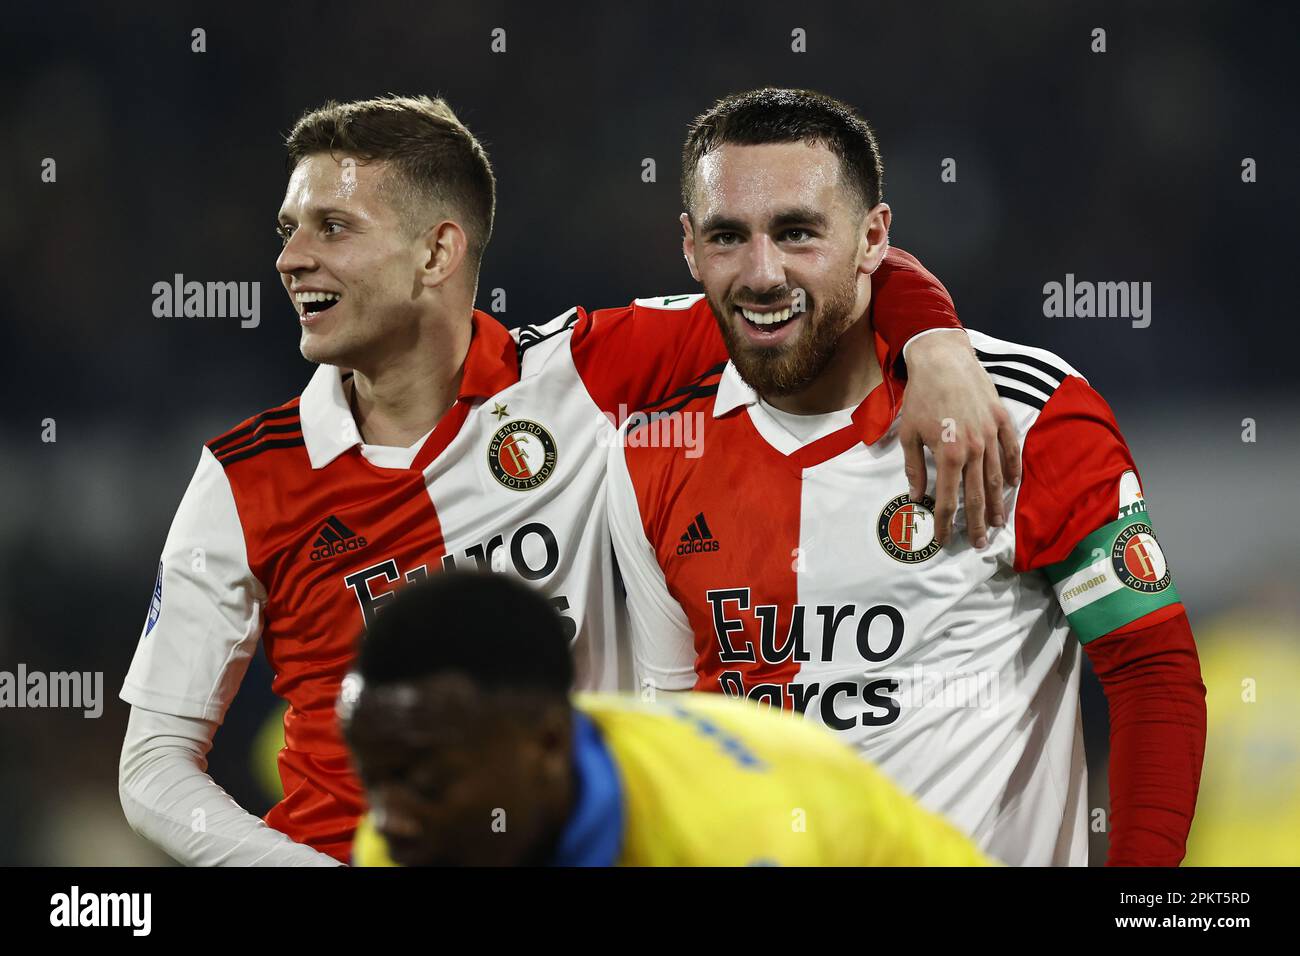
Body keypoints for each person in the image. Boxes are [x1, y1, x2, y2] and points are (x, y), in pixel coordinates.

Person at [117, 94, 1013, 866]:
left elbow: (806, 281)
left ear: (437, 254)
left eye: (333, 228)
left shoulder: (587, 375)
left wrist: (936, 344)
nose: (291, 258)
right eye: (290, 230)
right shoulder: (242, 476)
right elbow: (153, 761)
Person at [607, 88, 1207, 866]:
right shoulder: (652, 450)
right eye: (728, 236)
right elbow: (676, 735)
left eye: (797, 233)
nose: (761, 272)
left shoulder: (1023, 413)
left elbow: (1151, 673)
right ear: (689, 247)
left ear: (873, 237)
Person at [344, 571, 994, 867]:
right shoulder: (409, 843)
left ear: (546, 744)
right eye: (376, 781)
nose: (388, 818)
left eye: (426, 785)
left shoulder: (737, 836)